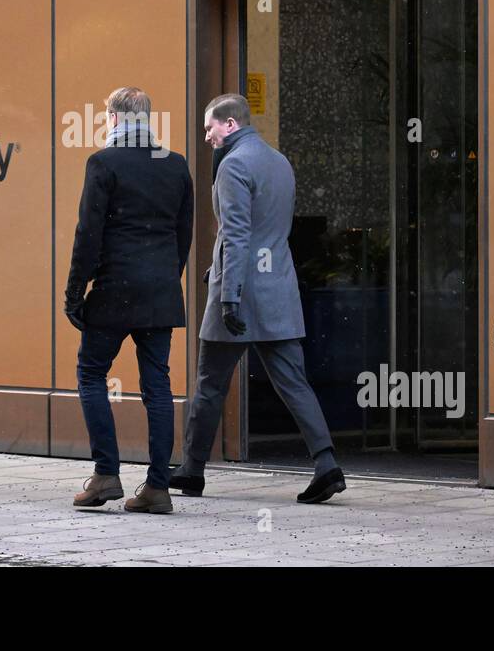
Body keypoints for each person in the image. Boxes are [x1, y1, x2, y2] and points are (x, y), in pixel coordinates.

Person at [169, 93, 344, 504]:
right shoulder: (279, 162)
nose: (207, 134)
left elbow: (236, 233)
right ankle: (327, 464)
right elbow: (270, 230)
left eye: (210, 126)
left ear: (230, 124)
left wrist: (228, 295)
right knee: (295, 383)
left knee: (210, 384)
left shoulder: (233, 165)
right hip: (277, 289)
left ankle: (192, 470)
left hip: (241, 291)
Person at [66, 87, 193, 514]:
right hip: (159, 293)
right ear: (148, 118)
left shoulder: (104, 163)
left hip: (114, 291)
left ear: (115, 118)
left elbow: (88, 235)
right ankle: (158, 487)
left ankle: (105, 474)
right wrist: (164, 279)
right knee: (158, 386)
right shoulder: (175, 165)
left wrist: (73, 294)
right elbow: (183, 234)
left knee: (90, 373)